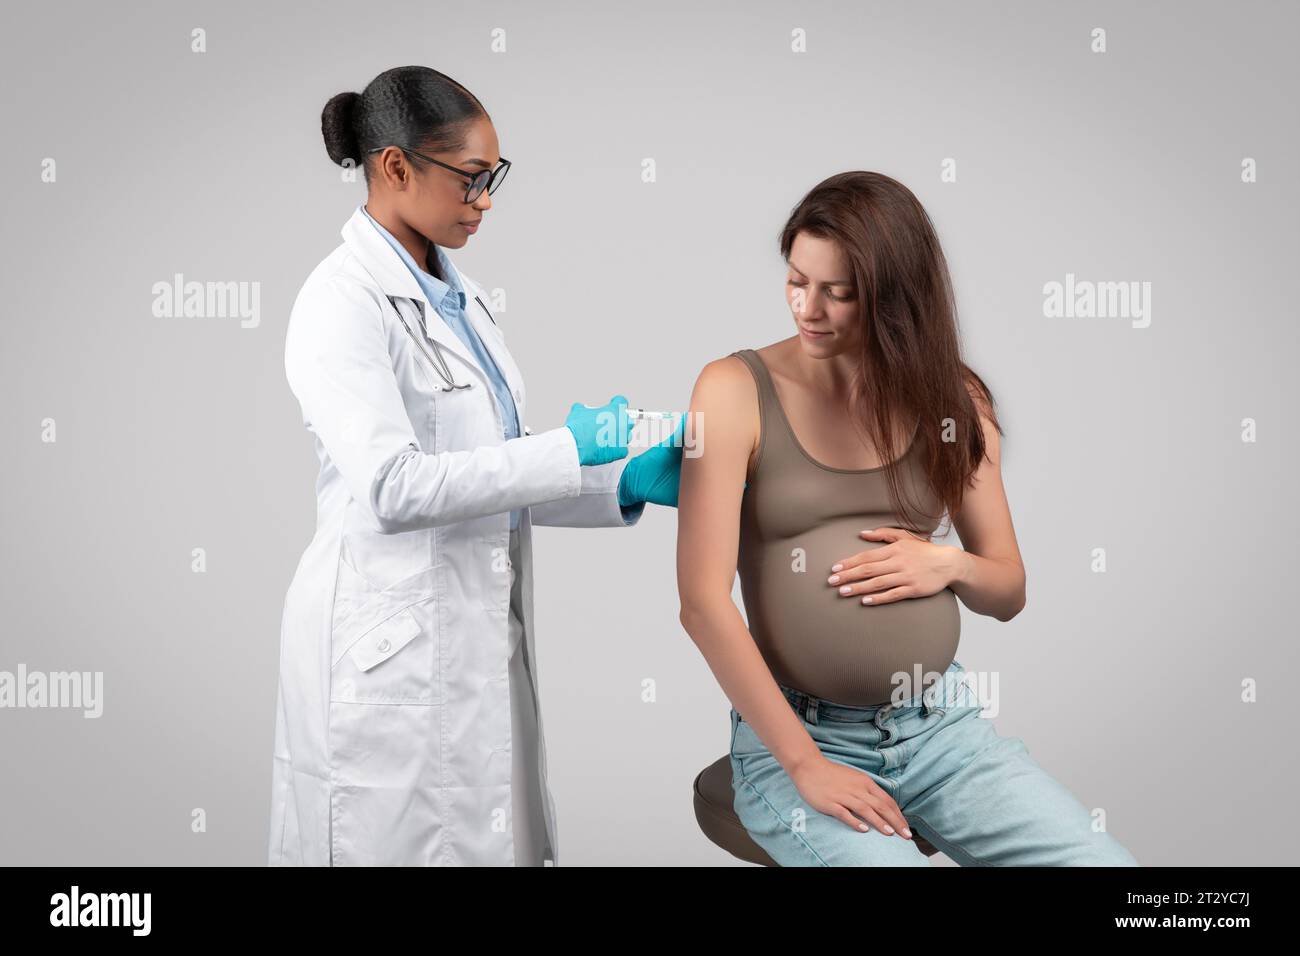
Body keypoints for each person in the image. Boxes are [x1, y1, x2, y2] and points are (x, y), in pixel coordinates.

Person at [267, 65, 681, 866]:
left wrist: (612, 481)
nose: (485, 199)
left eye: (494, 178)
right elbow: (394, 486)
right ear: (394, 168)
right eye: (470, 178)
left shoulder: (463, 300)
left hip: (468, 633)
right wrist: (568, 448)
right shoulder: (339, 301)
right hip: (386, 649)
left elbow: (487, 476)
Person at [677, 171, 1138, 866]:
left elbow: (1009, 591)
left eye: (839, 292)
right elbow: (702, 605)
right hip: (803, 739)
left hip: (943, 733)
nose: (809, 307)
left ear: (896, 298)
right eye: (797, 280)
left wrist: (949, 564)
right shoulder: (733, 389)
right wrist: (805, 765)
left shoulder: (953, 399)